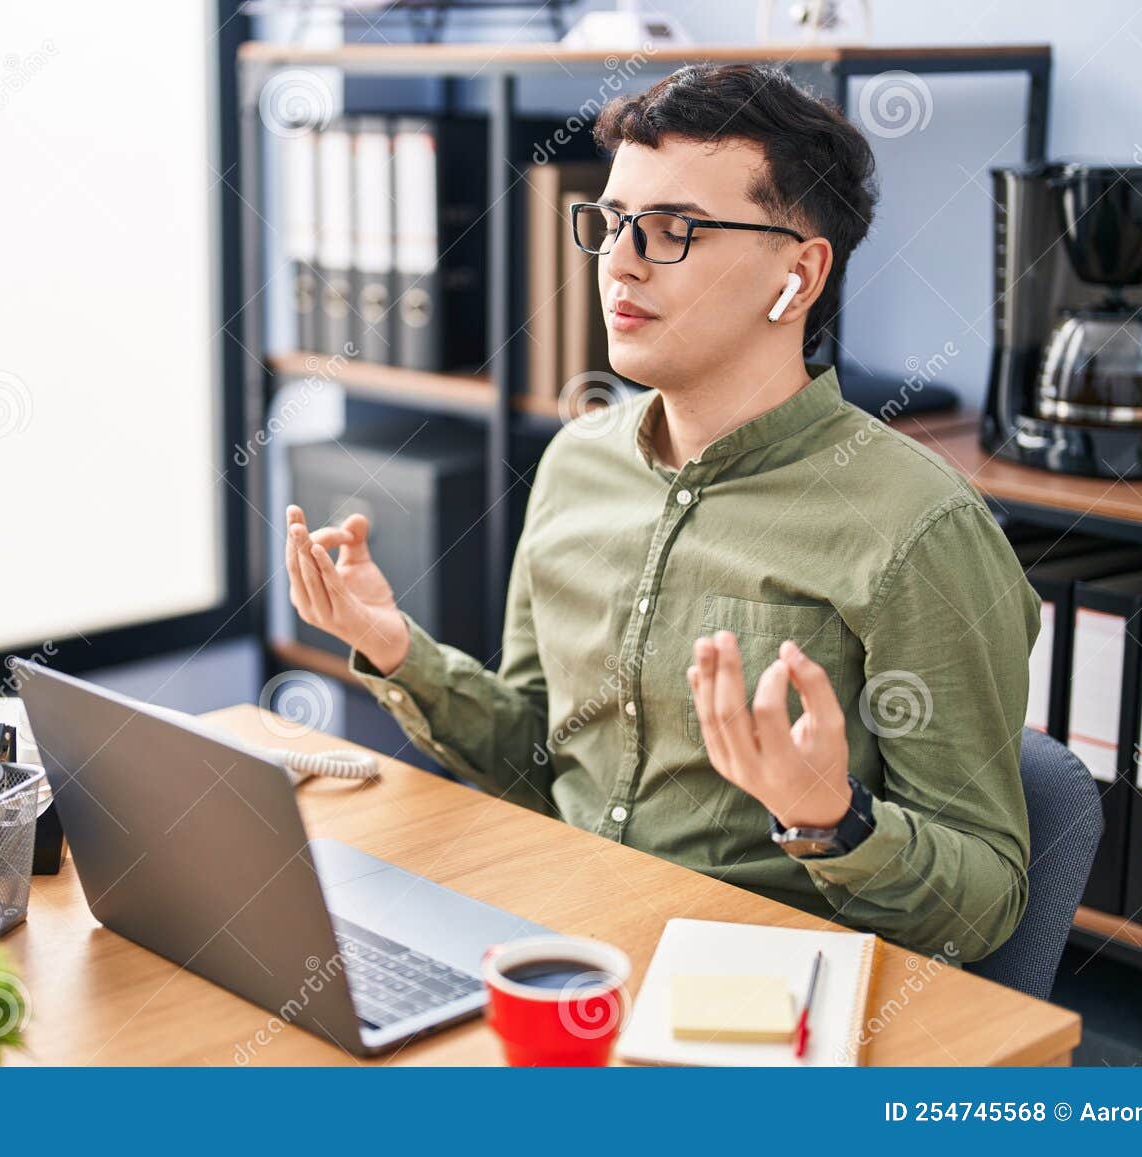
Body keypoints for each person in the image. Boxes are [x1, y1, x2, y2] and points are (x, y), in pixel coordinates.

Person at [283, 64, 1039, 962]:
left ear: (799, 275)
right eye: (611, 223)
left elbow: (987, 901)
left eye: (674, 230)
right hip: (562, 938)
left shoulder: (920, 529)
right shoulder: (576, 462)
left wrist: (830, 816)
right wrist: (394, 647)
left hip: (749, 985)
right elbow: (538, 754)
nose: (620, 260)